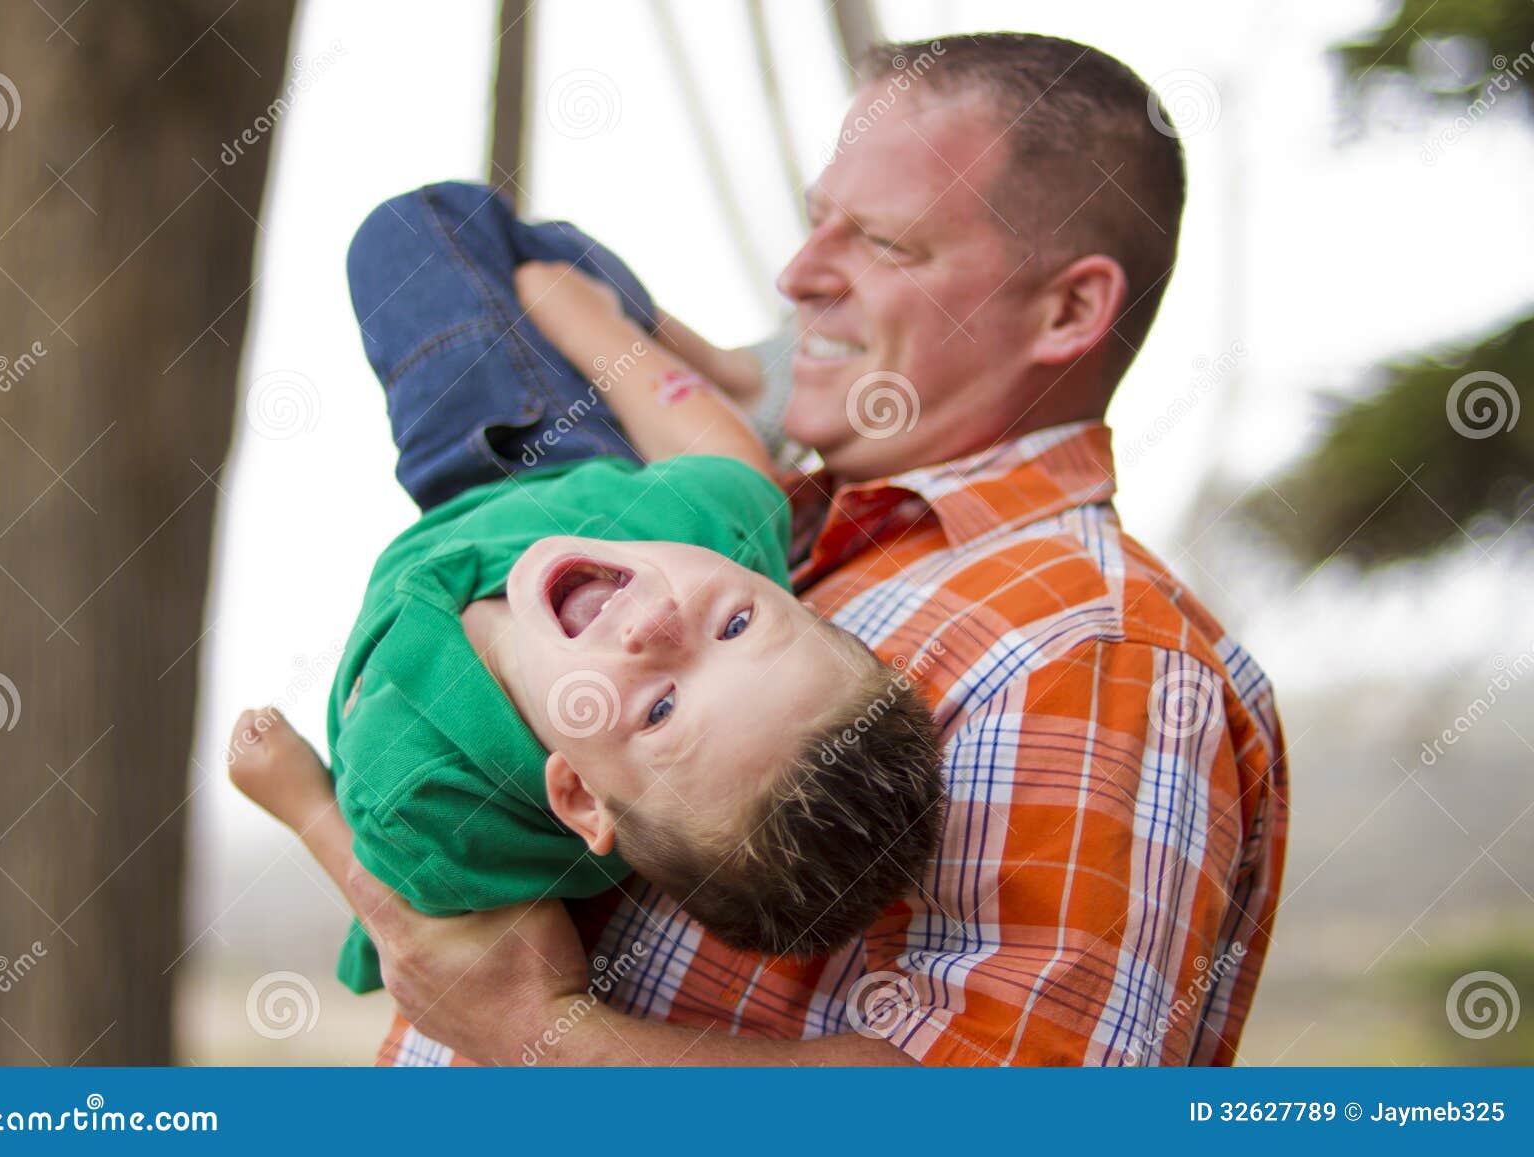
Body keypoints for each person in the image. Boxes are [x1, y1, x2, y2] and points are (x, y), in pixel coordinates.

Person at [256, 31, 1291, 1067]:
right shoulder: (781, 534)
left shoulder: (1092, 650)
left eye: (882, 244)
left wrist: (539, 1036)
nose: (799, 274)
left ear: (1067, 308)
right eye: (814, 223)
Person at [229, 183, 947, 1001]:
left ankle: (625, 308)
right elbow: (734, 465)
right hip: (568, 473)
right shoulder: (703, 531)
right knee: (557, 266)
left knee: (412, 235)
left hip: (472, 477)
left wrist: (298, 798)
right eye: (739, 620)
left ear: (574, 793)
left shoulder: (425, 794)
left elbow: (401, 918)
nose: (660, 623)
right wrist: (589, 324)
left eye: (661, 710)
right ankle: (724, 365)